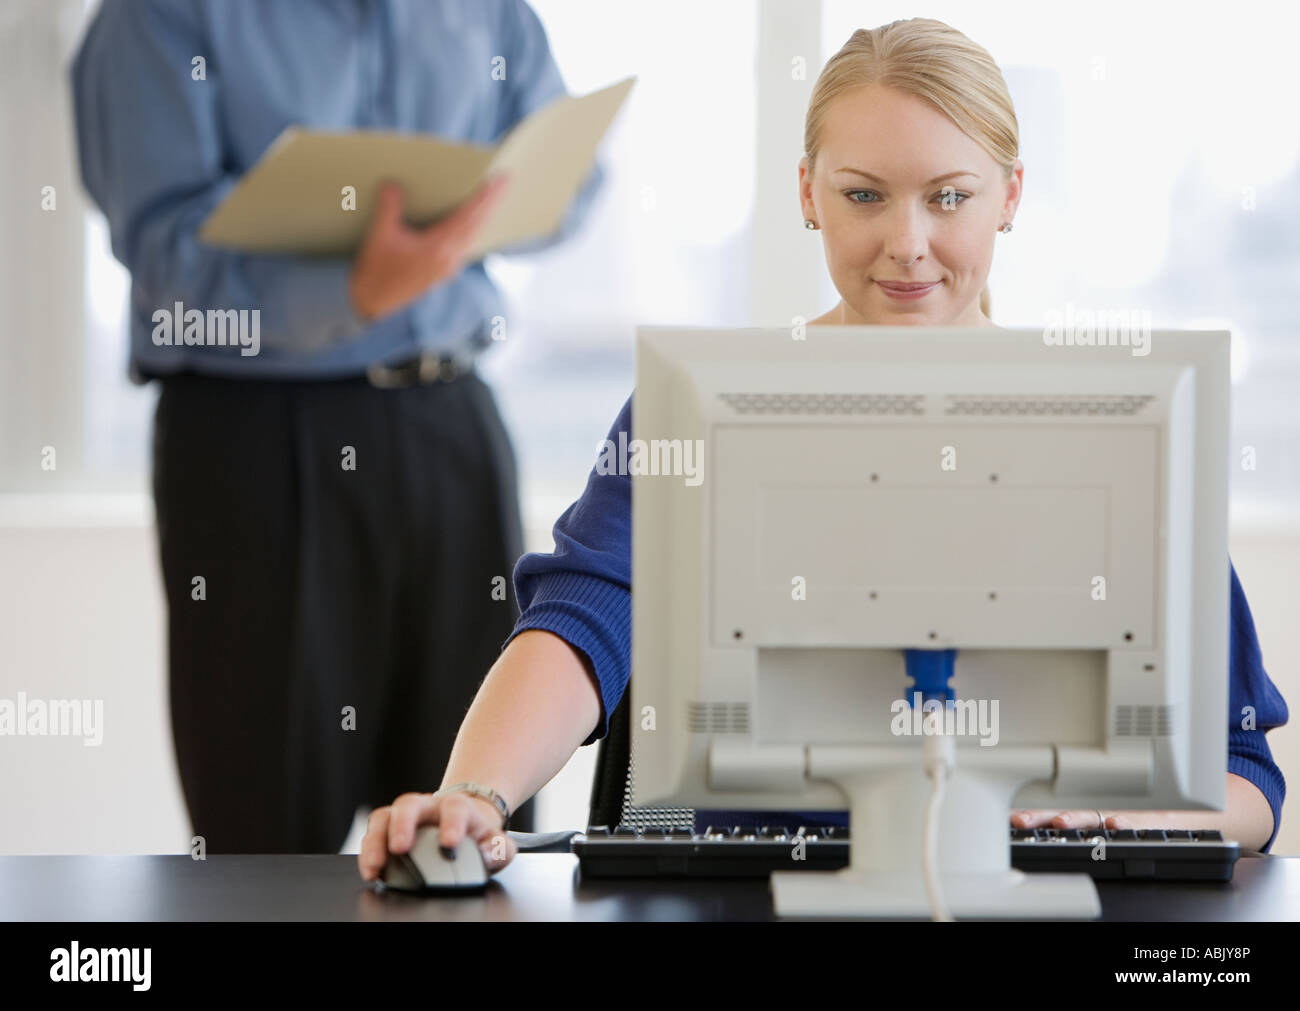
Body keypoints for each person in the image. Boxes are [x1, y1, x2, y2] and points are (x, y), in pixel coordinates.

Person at [358, 18, 1288, 882]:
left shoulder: (1121, 426)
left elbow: (1245, 776)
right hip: (751, 889)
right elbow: (583, 617)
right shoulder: (698, 411)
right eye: (864, 196)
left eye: (949, 197)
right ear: (809, 191)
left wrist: (1145, 820)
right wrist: (473, 797)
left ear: (1010, 196)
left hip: (1028, 888)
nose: (907, 243)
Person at [71, 0, 606, 852]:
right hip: (254, 443)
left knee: (471, 829)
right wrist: (352, 293)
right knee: (264, 837)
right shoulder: (159, 16)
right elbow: (162, 249)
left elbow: (576, 177)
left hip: (449, 421)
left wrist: (484, 212)